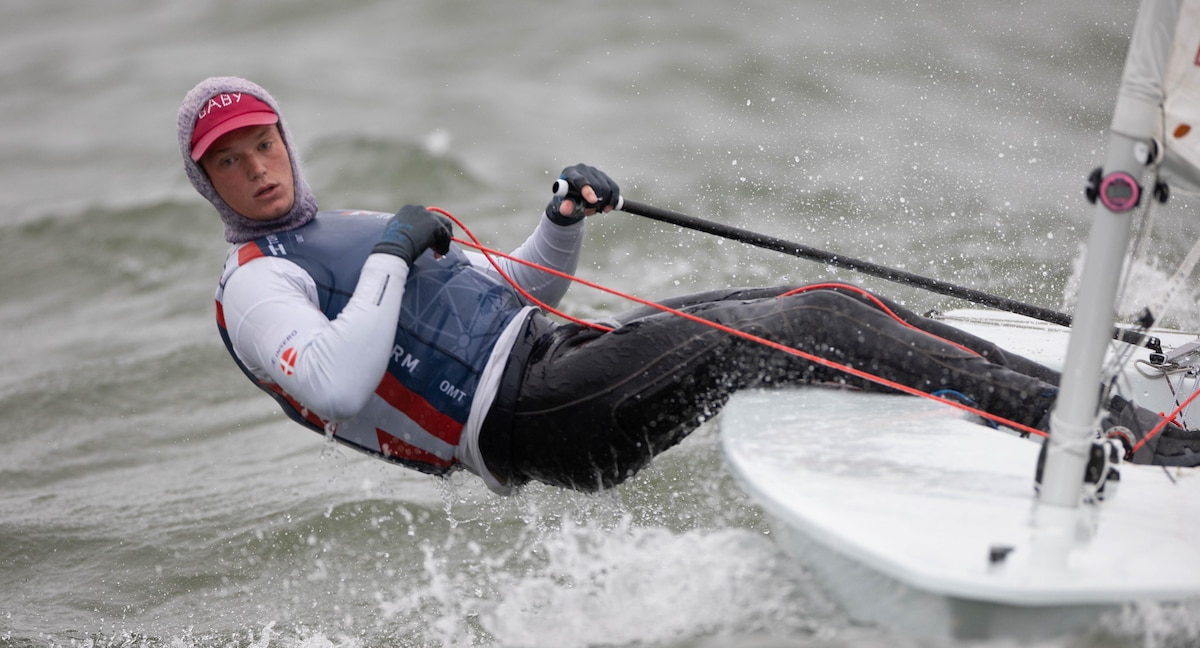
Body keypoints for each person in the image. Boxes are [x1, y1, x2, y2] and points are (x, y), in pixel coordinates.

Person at [178, 76, 1198, 495]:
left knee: (829, 310)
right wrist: (399, 256)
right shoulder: (258, 286)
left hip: (557, 364)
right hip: (535, 421)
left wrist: (558, 225)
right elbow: (338, 385)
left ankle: (1057, 409)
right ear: (207, 182)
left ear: (286, 140)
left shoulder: (343, 229)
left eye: (264, 144)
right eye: (231, 161)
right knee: (807, 322)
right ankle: (1108, 437)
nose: (258, 168)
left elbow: (520, 296)